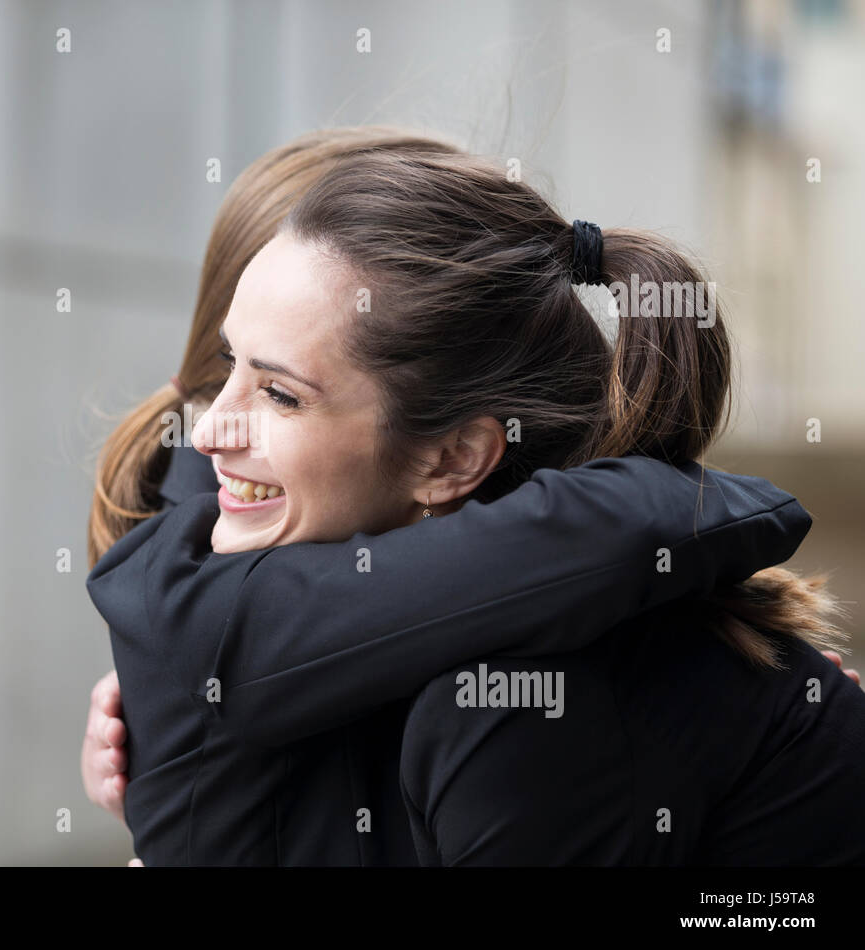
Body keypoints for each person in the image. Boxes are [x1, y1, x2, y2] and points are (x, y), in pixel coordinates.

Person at [82, 143, 858, 865]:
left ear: (453, 460)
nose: (211, 429)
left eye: (281, 393)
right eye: (229, 367)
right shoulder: (227, 579)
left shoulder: (512, 708)